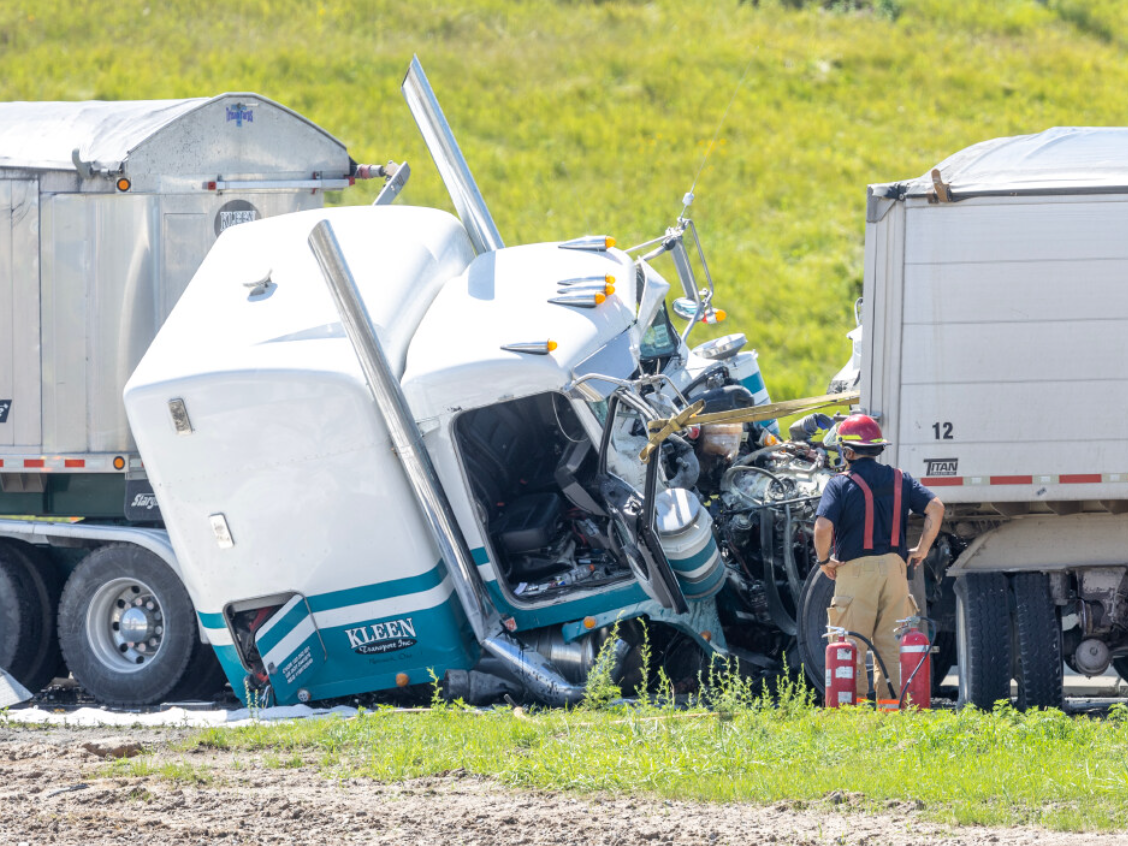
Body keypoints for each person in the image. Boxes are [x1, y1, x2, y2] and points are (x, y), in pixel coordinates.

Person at [812, 414, 945, 702]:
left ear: (848, 452)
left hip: (856, 573)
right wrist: (921, 549)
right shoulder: (902, 479)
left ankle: (851, 716)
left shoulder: (839, 484)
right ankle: (895, 713)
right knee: (895, 649)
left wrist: (824, 561)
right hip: (896, 573)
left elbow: (822, 528)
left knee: (849, 645)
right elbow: (935, 507)